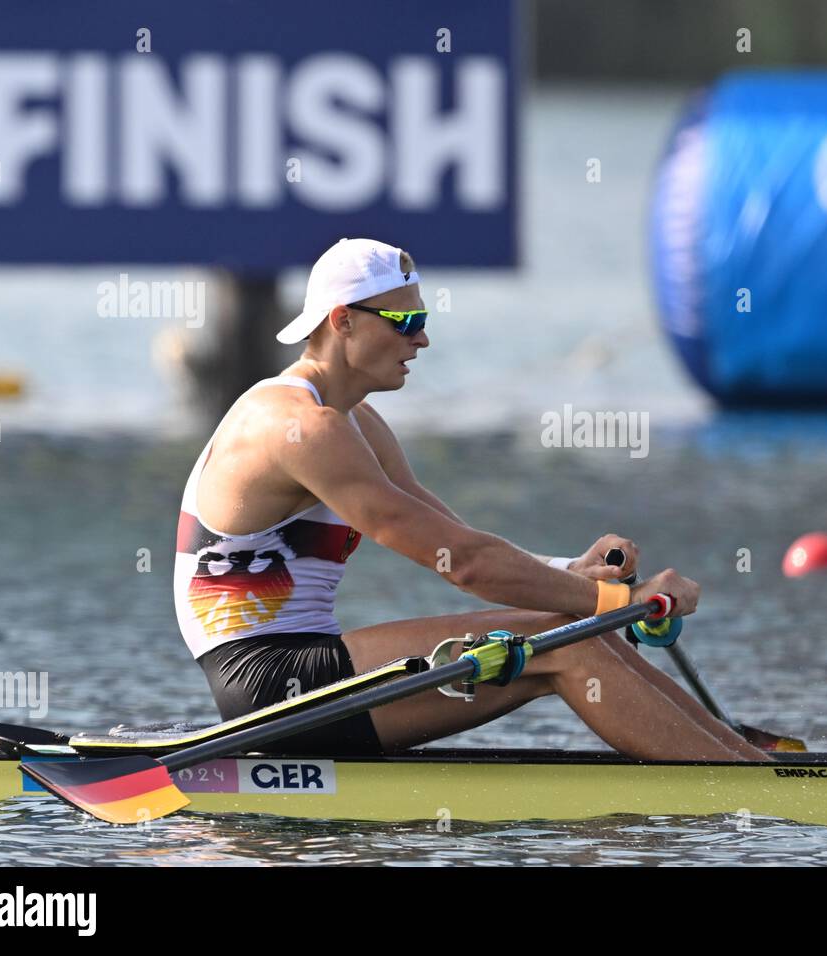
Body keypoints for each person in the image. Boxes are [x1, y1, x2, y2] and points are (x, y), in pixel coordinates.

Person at [173, 238, 769, 761]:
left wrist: (572, 573)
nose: (423, 338)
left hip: (306, 663)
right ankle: (758, 793)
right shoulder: (298, 426)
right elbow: (465, 566)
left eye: (422, 320)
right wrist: (617, 598)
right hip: (271, 686)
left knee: (576, 625)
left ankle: (742, 761)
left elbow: (455, 540)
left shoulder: (358, 423)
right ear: (342, 322)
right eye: (404, 322)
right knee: (574, 645)